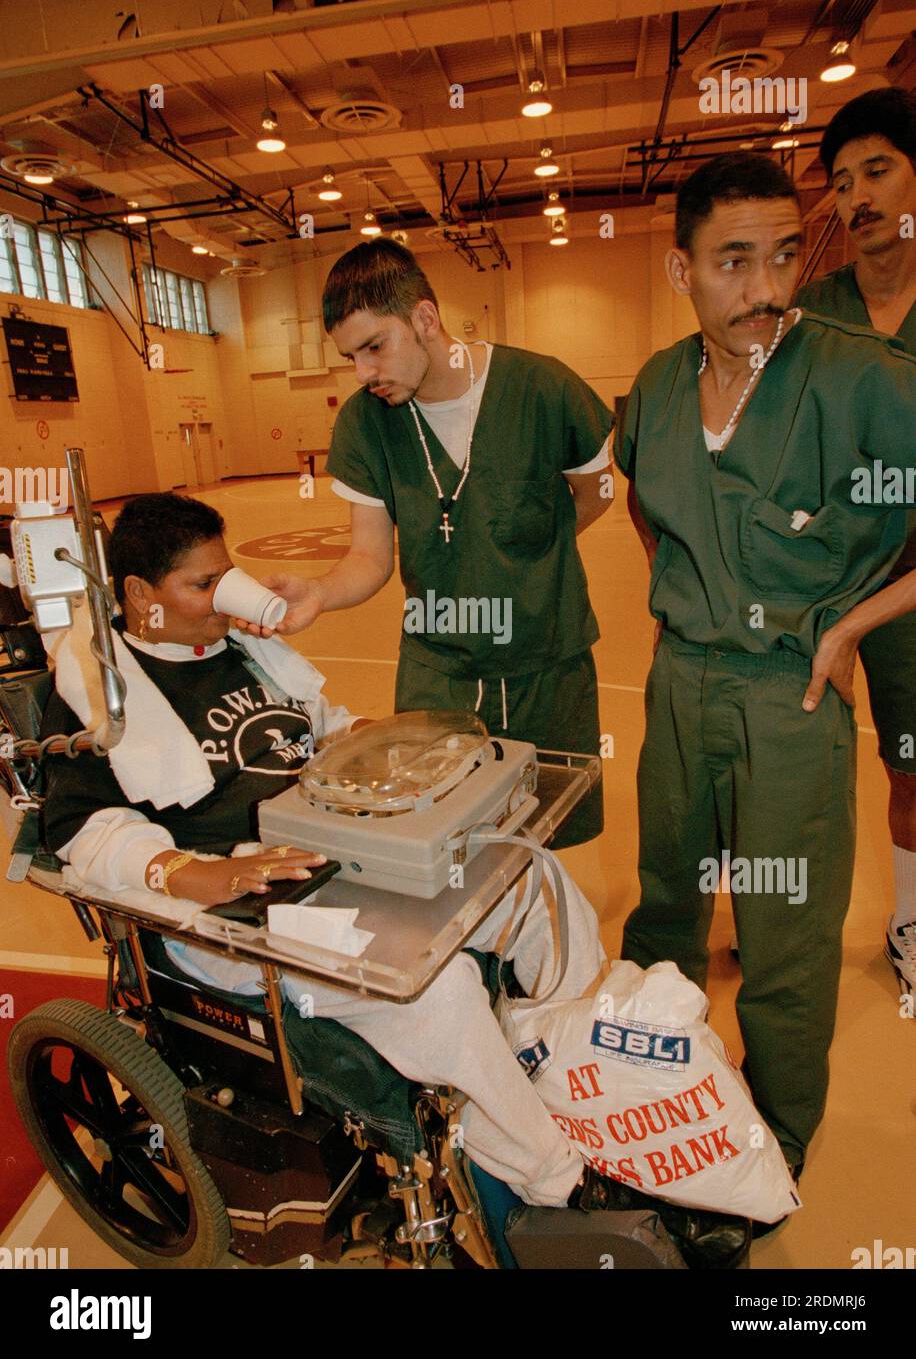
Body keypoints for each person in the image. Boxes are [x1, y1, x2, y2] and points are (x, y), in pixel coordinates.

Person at [37, 492, 619, 1219]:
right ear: (137, 594)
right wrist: (193, 872)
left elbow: (315, 726)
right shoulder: (100, 694)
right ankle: (557, 1177)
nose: (224, 596)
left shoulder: (242, 649)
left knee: (536, 881)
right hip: (232, 913)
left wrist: (367, 738)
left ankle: (587, 1076)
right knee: (438, 990)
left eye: (226, 575)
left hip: (335, 851)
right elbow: (81, 831)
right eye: (202, 584)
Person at [614, 153, 916, 1207]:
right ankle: (657, 1103)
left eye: (783, 256)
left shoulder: (862, 378)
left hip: (791, 699)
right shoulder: (654, 385)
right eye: (732, 262)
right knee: (663, 911)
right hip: (680, 686)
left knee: (784, 941)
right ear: (679, 270)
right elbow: (648, 498)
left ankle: (772, 1152)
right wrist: (691, 598)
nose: (764, 290)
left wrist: (844, 634)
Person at [233, 239, 613, 849]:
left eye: (374, 347)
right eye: (350, 356)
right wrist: (320, 592)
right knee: (441, 841)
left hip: (549, 658)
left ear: (425, 319)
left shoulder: (545, 389)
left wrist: (522, 559)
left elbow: (594, 496)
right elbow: (369, 556)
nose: (363, 373)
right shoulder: (366, 423)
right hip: (439, 674)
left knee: (546, 835)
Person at [795, 87, 916, 1003]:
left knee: (913, 768)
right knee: (789, 766)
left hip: (909, 587)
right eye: (841, 182)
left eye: (877, 170)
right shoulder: (814, 311)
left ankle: (909, 925)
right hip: (825, 578)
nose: (857, 197)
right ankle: (778, 927)